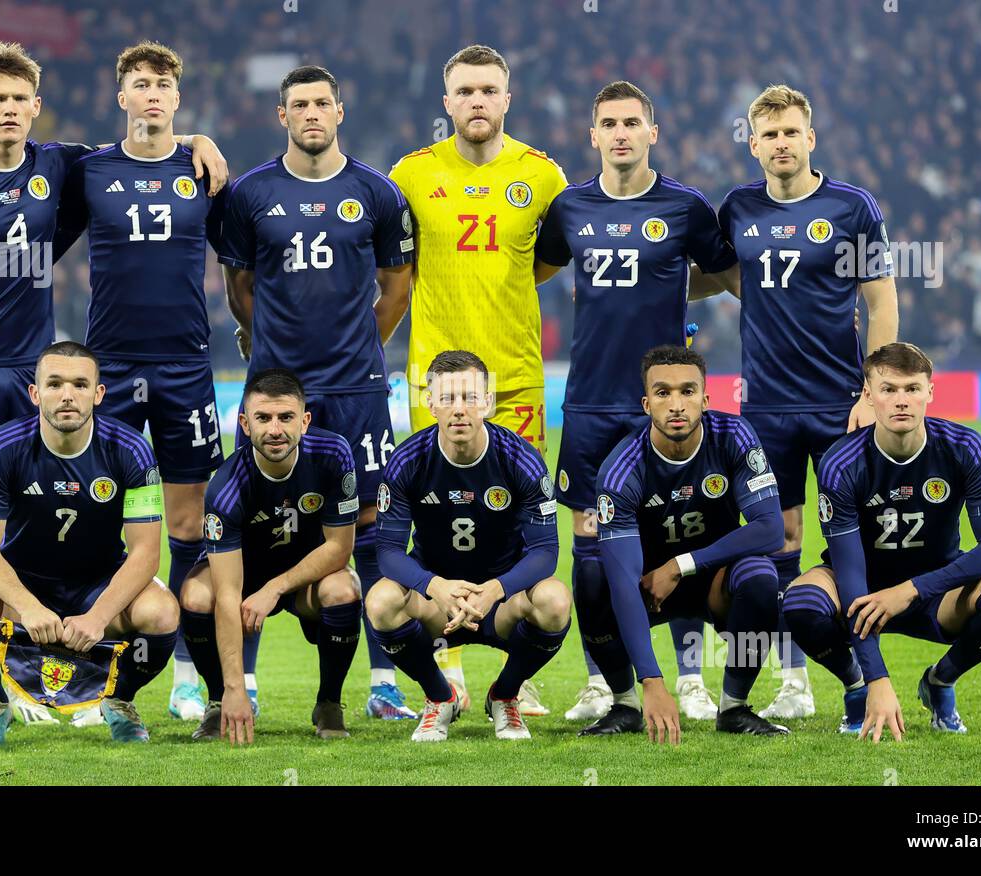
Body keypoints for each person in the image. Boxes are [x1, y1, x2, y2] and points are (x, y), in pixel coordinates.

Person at [0, 41, 224, 733]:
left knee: (38, 526)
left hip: (31, 376)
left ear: (36, 108)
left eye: (21, 100)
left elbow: (148, 135)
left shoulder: (60, 165)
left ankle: (48, 676)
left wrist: (195, 136)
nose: (10, 110)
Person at [534, 81, 741, 723]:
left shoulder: (685, 206)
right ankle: (604, 682)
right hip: (592, 402)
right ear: (592, 135)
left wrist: (675, 286)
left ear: (654, 131)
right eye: (608, 123)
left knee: (674, 535)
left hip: (664, 399)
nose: (620, 133)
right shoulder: (569, 208)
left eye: (632, 122)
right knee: (592, 546)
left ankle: (691, 680)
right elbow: (535, 270)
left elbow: (729, 274)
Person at [692, 84, 899, 720]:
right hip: (766, 408)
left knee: (847, 541)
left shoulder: (851, 206)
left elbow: (881, 300)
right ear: (752, 145)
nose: (781, 143)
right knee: (777, 537)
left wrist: (873, 390)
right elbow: (721, 273)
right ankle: (795, 679)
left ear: (810, 138)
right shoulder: (739, 207)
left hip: (840, 403)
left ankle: (860, 673)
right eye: (769, 134)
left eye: (791, 132)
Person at [220, 65, 416, 721]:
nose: (311, 113)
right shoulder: (249, 195)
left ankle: (382, 682)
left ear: (340, 111)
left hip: (357, 387)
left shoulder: (377, 193)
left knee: (368, 523)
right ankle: (240, 687)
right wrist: (268, 340)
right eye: (298, 104)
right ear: (282, 115)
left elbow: (396, 283)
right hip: (275, 385)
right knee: (250, 522)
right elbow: (240, 286)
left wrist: (363, 344)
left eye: (322, 103)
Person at [388, 44, 568, 714]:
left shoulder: (542, 175)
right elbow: (389, 262)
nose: (477, 102)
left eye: (489, 90)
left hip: (515, 377)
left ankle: (516, 672)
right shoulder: (410, 173)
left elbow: (544, 258)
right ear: (446, 102)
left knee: (517, 522)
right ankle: (450, 660)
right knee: (442, 519)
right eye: (465, 91)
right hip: (436, 381)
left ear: (507, 98)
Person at [56, 41, 231, 725]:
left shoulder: (203, 172)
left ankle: (188, 674)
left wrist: (201, 140)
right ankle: (95, 668)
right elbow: (39, 228)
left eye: (163, 84)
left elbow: (239, 262)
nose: (152, 94)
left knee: (188, 519)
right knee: (106, 518)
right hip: (113, 367)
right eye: (140, 84)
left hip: (187, 366)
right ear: (120, 95)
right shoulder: (90, 170)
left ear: (177, 98)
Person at [784, 343, 981, 739]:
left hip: (939, 591)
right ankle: (856, 687)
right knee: (800, 604)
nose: (901, 401)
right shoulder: (840, 462)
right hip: (861, 589)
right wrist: (876, 678)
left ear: (931, 392)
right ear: (868, 396)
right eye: (889, 389)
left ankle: (940, 681)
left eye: (912, 389)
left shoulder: (963, 447)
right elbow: (849, 577)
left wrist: (912, 589)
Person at [0, 342, 179, 747]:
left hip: (99, 584)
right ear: (35, 394)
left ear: (98, 394)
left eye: (80, 384)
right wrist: (30, 608)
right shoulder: (2, 448)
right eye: (54, 384)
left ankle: (118, 702)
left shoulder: (133, 450)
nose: (67, 395)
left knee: (162, 613)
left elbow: (146, 554)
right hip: (23, 586)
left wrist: (98, 617)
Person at [366, 350, 571, 741]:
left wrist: (495, 589)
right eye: (447, 398)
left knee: (556, 601)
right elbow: (388, 551)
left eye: (470, 397)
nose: (459, 410)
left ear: (488, 402)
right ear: (430, 404)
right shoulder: (407, 461)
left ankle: (504, 696)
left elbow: (546, 552)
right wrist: (436, 586)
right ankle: (439, 697)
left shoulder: (521, 460)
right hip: (435, 604)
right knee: (380, 601)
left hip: (502, 603)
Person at [586, 345, 789, 741]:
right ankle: (626, 704)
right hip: (649, 589)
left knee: (761, 576)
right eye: (663, 393)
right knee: (592, 577)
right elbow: (624, 581)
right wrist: (652, 681)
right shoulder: (621, 469)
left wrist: (681, 564)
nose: (676, 404)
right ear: (646, 404)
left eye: (688, 391)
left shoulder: (733, 436)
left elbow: (770, 529)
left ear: (706, 399)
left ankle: (734, 707)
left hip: (714, 583)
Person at [178, 368, 363, 743]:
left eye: (286, 417)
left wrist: (275, 588)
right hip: (243, 578)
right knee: (196, 596)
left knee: (344, 590)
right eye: (263, 418)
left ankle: (329, 702)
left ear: (305, 421)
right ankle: (217, 701)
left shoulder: (333, 454)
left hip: (304, 577)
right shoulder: (227, 487)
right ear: (244, 424)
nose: (275, 429)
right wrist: (235, 688)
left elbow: (340, 548)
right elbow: (228, 592)